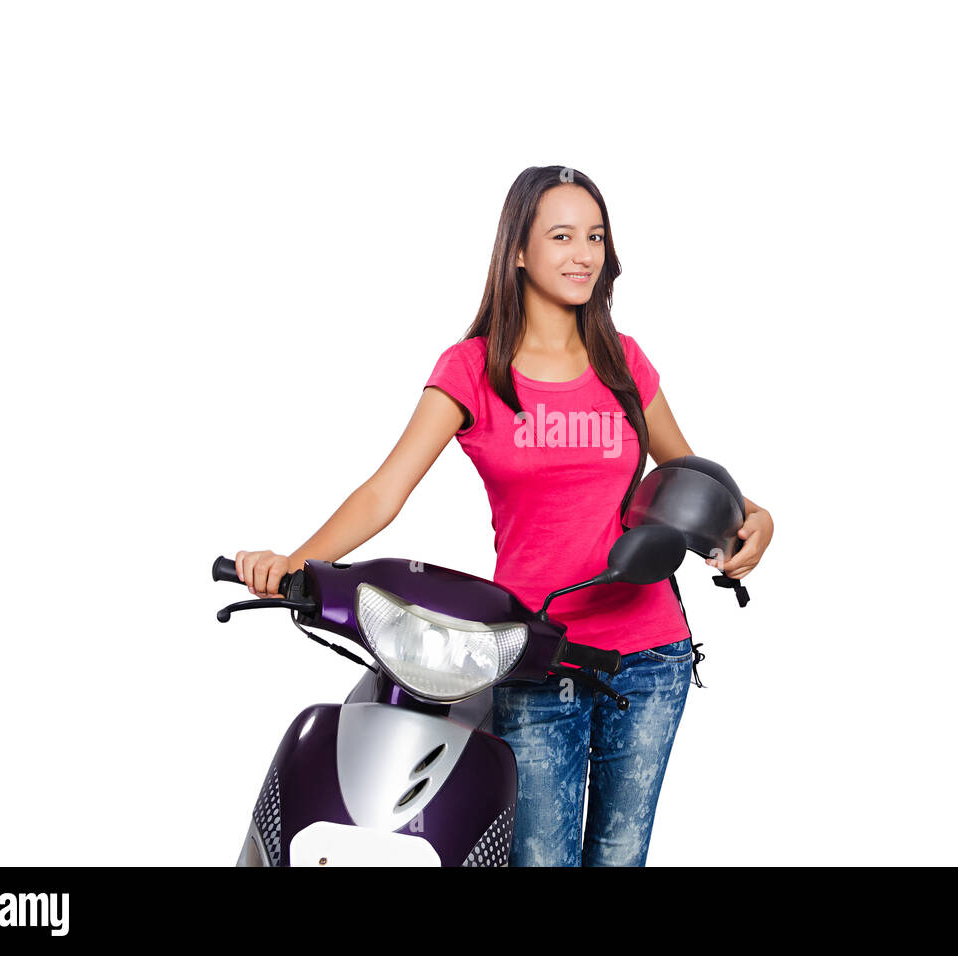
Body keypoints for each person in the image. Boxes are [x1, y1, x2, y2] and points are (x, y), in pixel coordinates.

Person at [234, 165, 773, 866]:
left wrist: (757, 518)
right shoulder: (474, 369)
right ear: (517, 250)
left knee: (620, 857)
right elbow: (383, 492)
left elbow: (691, 481)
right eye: (562, 236)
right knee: (538, 860)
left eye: (596, 237)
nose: (584, 254)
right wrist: (296, 562)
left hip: (648, 656)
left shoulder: (624, 364)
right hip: (537, 658)